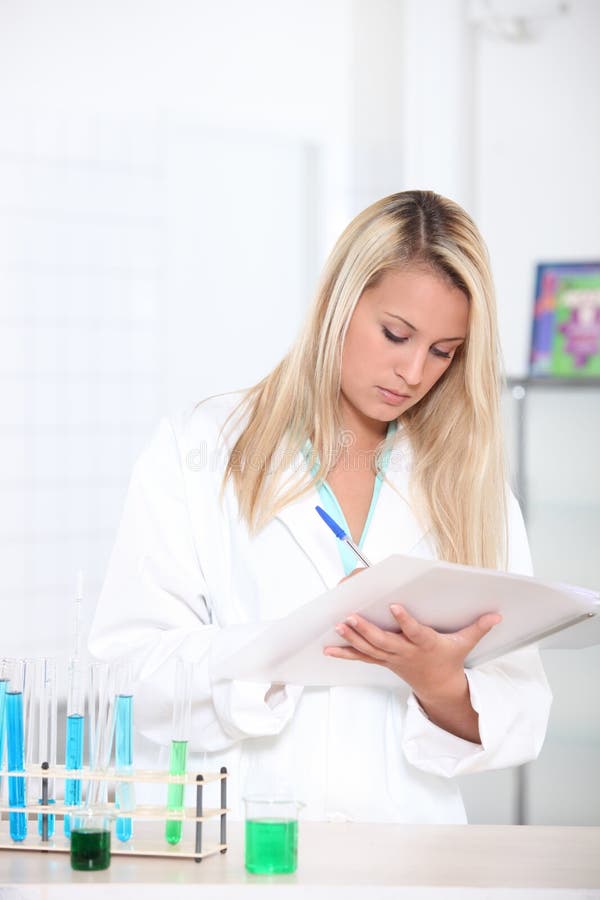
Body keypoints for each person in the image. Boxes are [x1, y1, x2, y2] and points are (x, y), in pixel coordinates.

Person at [89, 190, 552, 823]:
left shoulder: (468, 484)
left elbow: (520, 711)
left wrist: (439, 683)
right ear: (340, 302)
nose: (414, 371)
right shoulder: (202, 448)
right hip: (239, 845)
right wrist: (286, 645)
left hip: (410, 854)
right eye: (396, 334)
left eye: (444, 351)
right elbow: (126, 675)